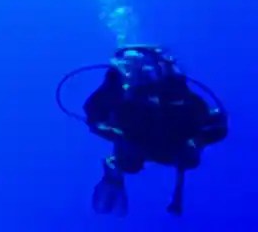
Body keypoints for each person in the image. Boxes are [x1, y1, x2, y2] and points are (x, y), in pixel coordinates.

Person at [82, 45, 228, 216]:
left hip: (169, 146)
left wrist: (197, 140)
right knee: (131, 162)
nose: (137, 73)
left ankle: (115, 172)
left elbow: (212, 124)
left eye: (141, 67)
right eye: (129, 68)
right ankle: (114, 172)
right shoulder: (117, 94)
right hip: (145, 146)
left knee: (182, 159)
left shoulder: (173, 92)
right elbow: (93, 115)